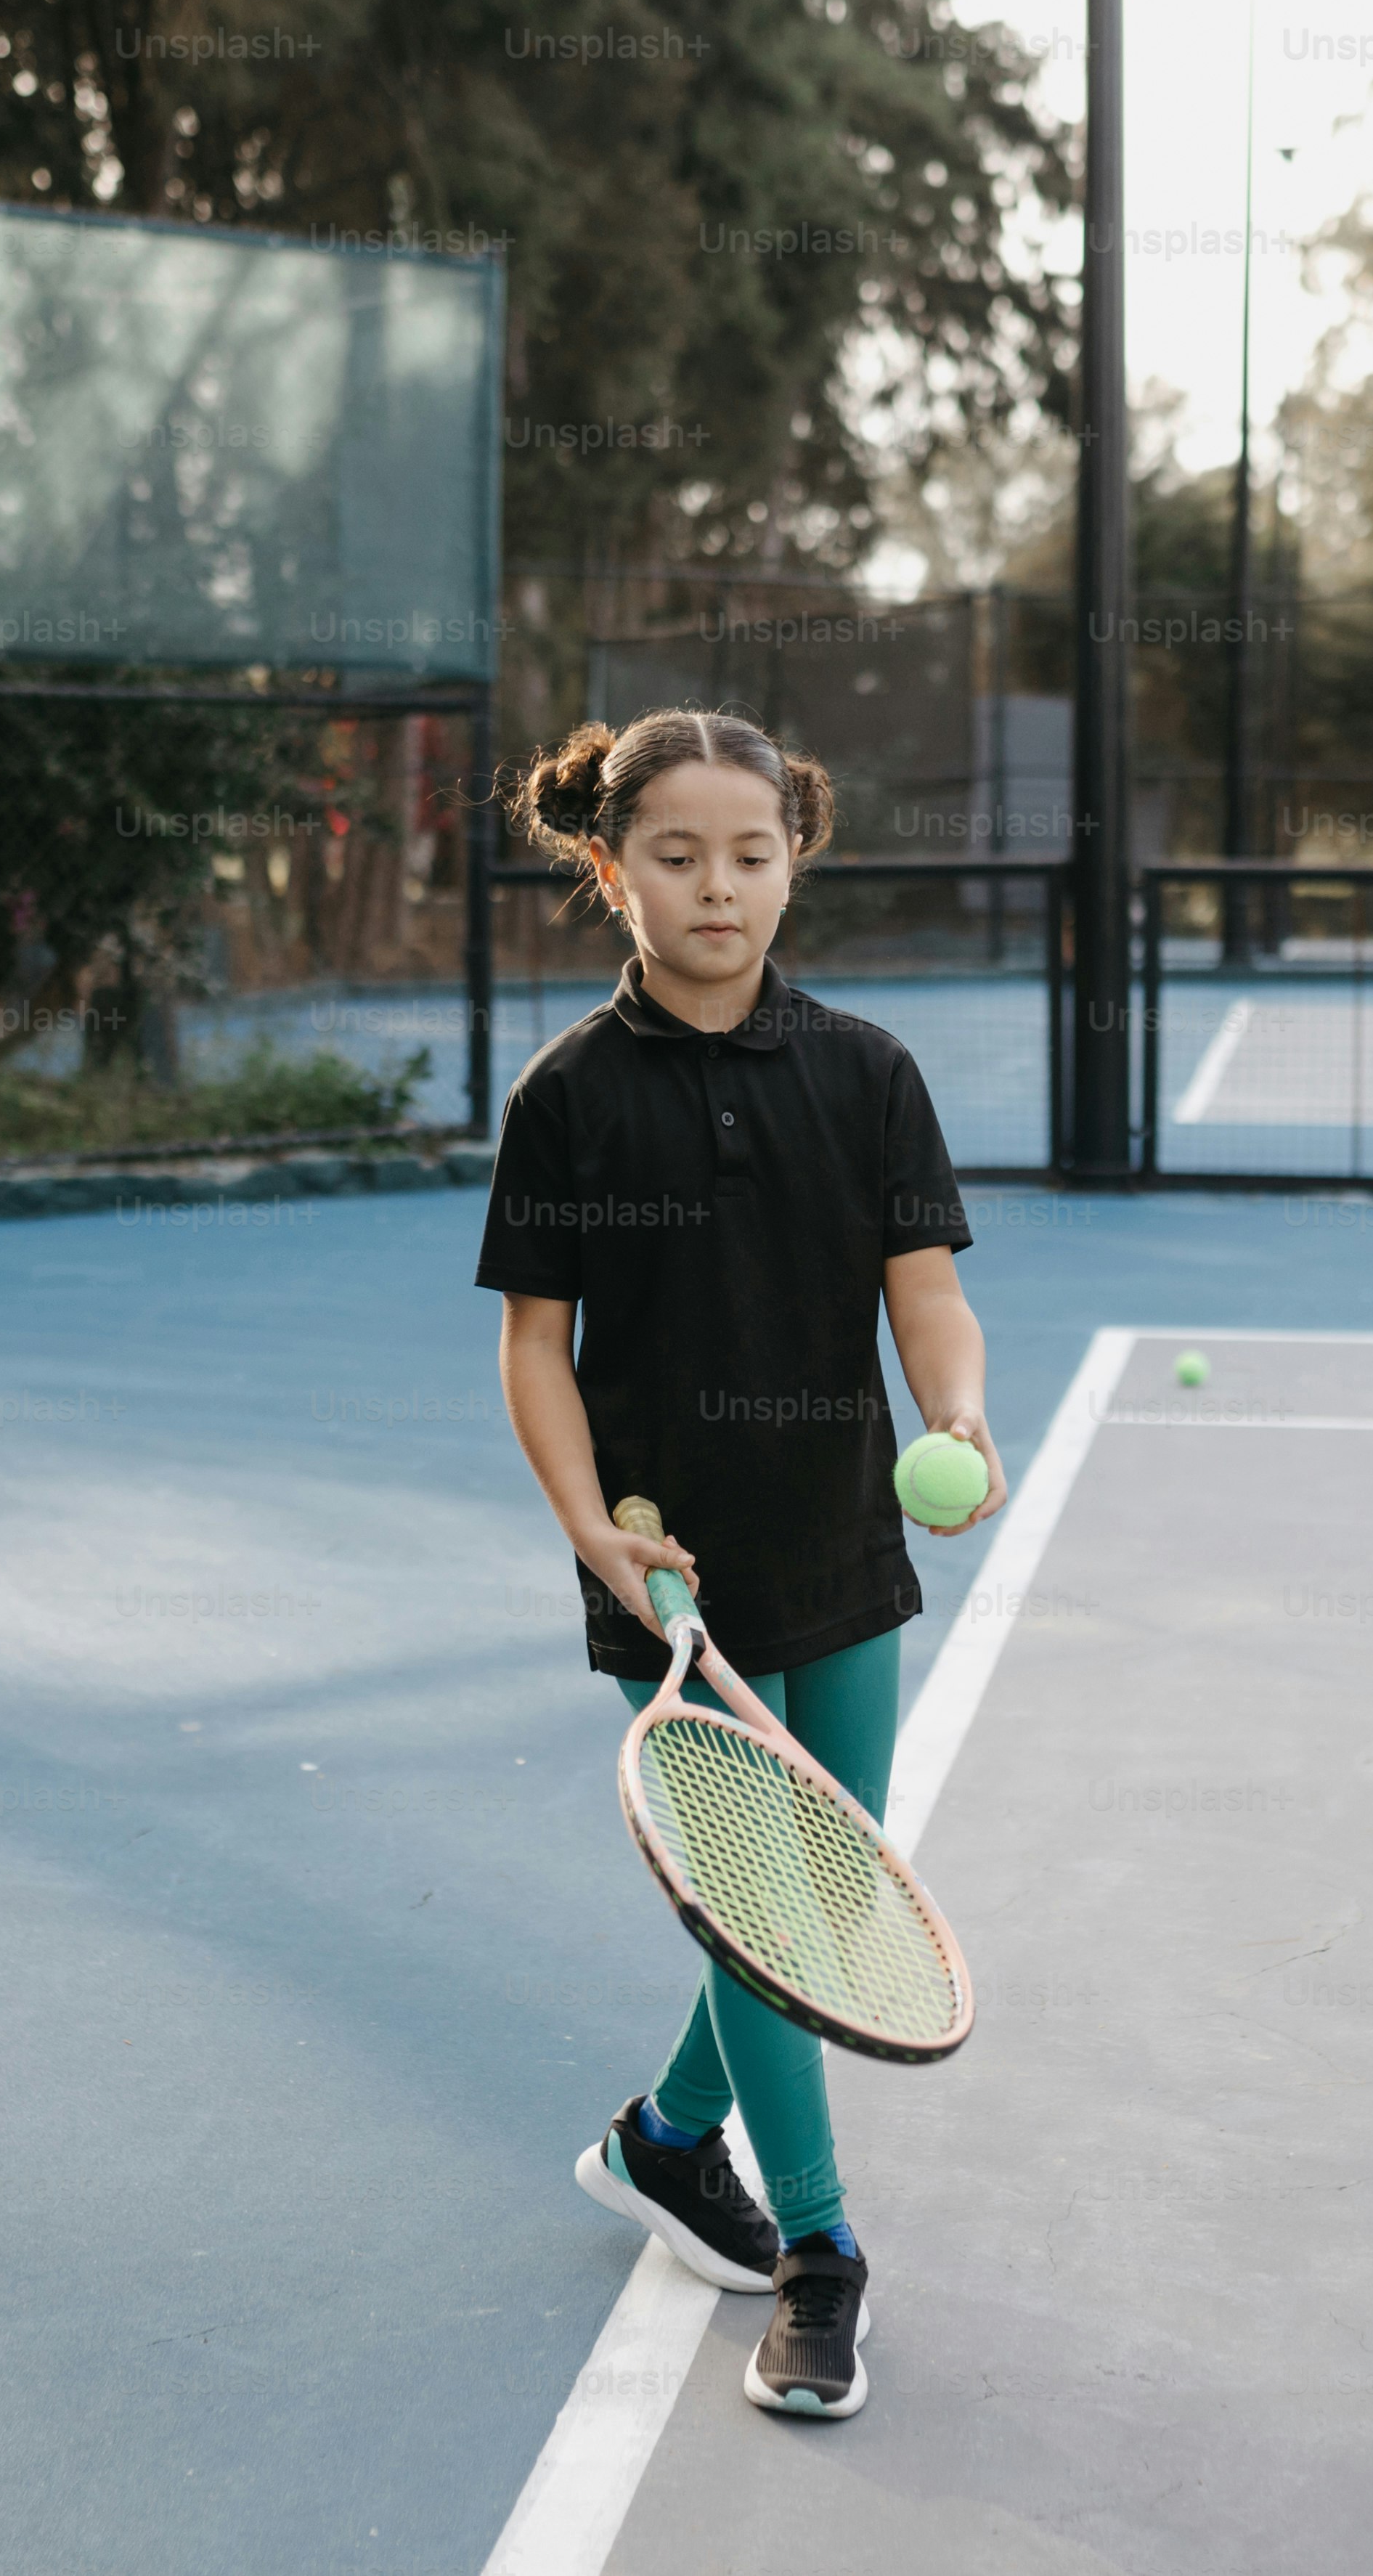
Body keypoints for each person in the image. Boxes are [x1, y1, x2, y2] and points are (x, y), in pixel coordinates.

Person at [478, 707, 1006, 2419]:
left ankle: (661, 2136)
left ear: (798, 859)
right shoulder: (566, 1096)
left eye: (751, 853)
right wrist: (589, 1533)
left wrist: (961, 1416)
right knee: (768, 1906)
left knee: (826, 1901)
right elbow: (535, 1345)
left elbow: (921, 1282)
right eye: (678, 854)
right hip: (670, 1568)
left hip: (843, 1530)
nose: (718, 886)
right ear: (610, 864)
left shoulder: (866, 1073)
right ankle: (819, 2251)